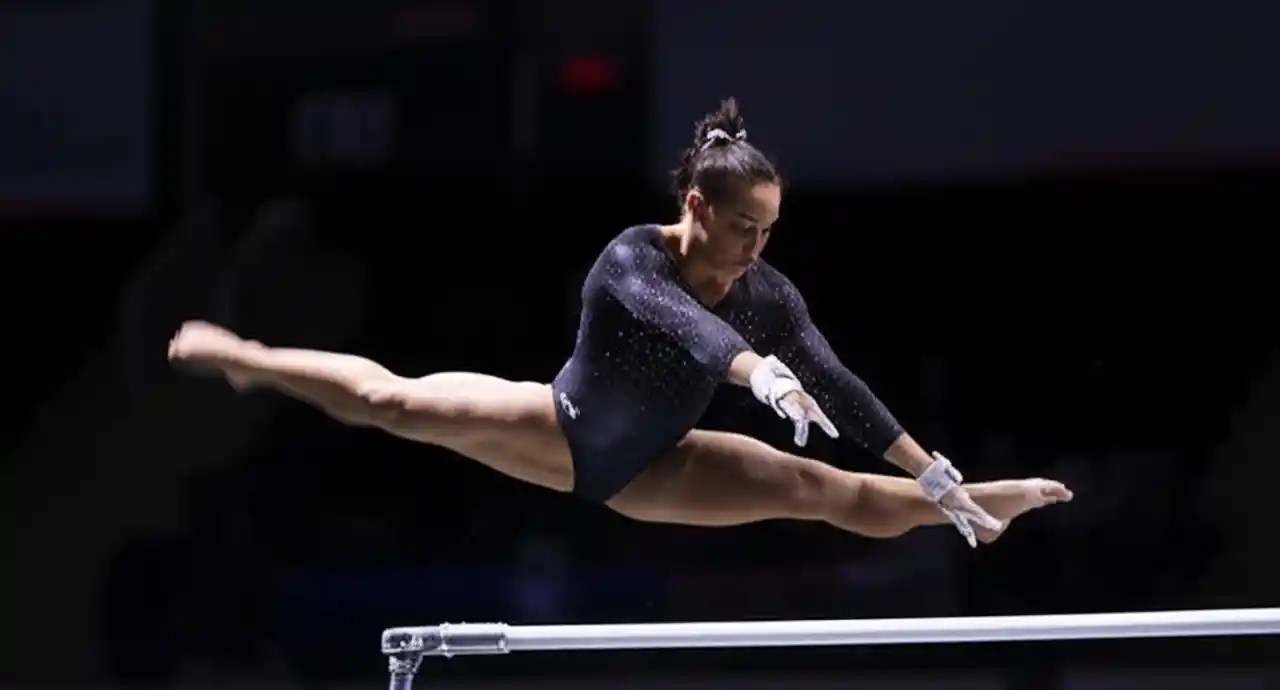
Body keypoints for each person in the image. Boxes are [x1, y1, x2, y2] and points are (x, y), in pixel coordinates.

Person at [168, 98, 1071, 548]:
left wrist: (929, 466)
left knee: (828, 491)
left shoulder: (769, 294)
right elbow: (686, 329)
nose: (759, 245)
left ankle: (971, 505)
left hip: (661, 467)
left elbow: (836, 382)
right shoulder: (632, 258)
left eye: (771, 229)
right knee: (392, 402)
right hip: (561, 432)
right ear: (697, 206)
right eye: (745, 226)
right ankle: (254, 359)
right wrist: (759, 374)